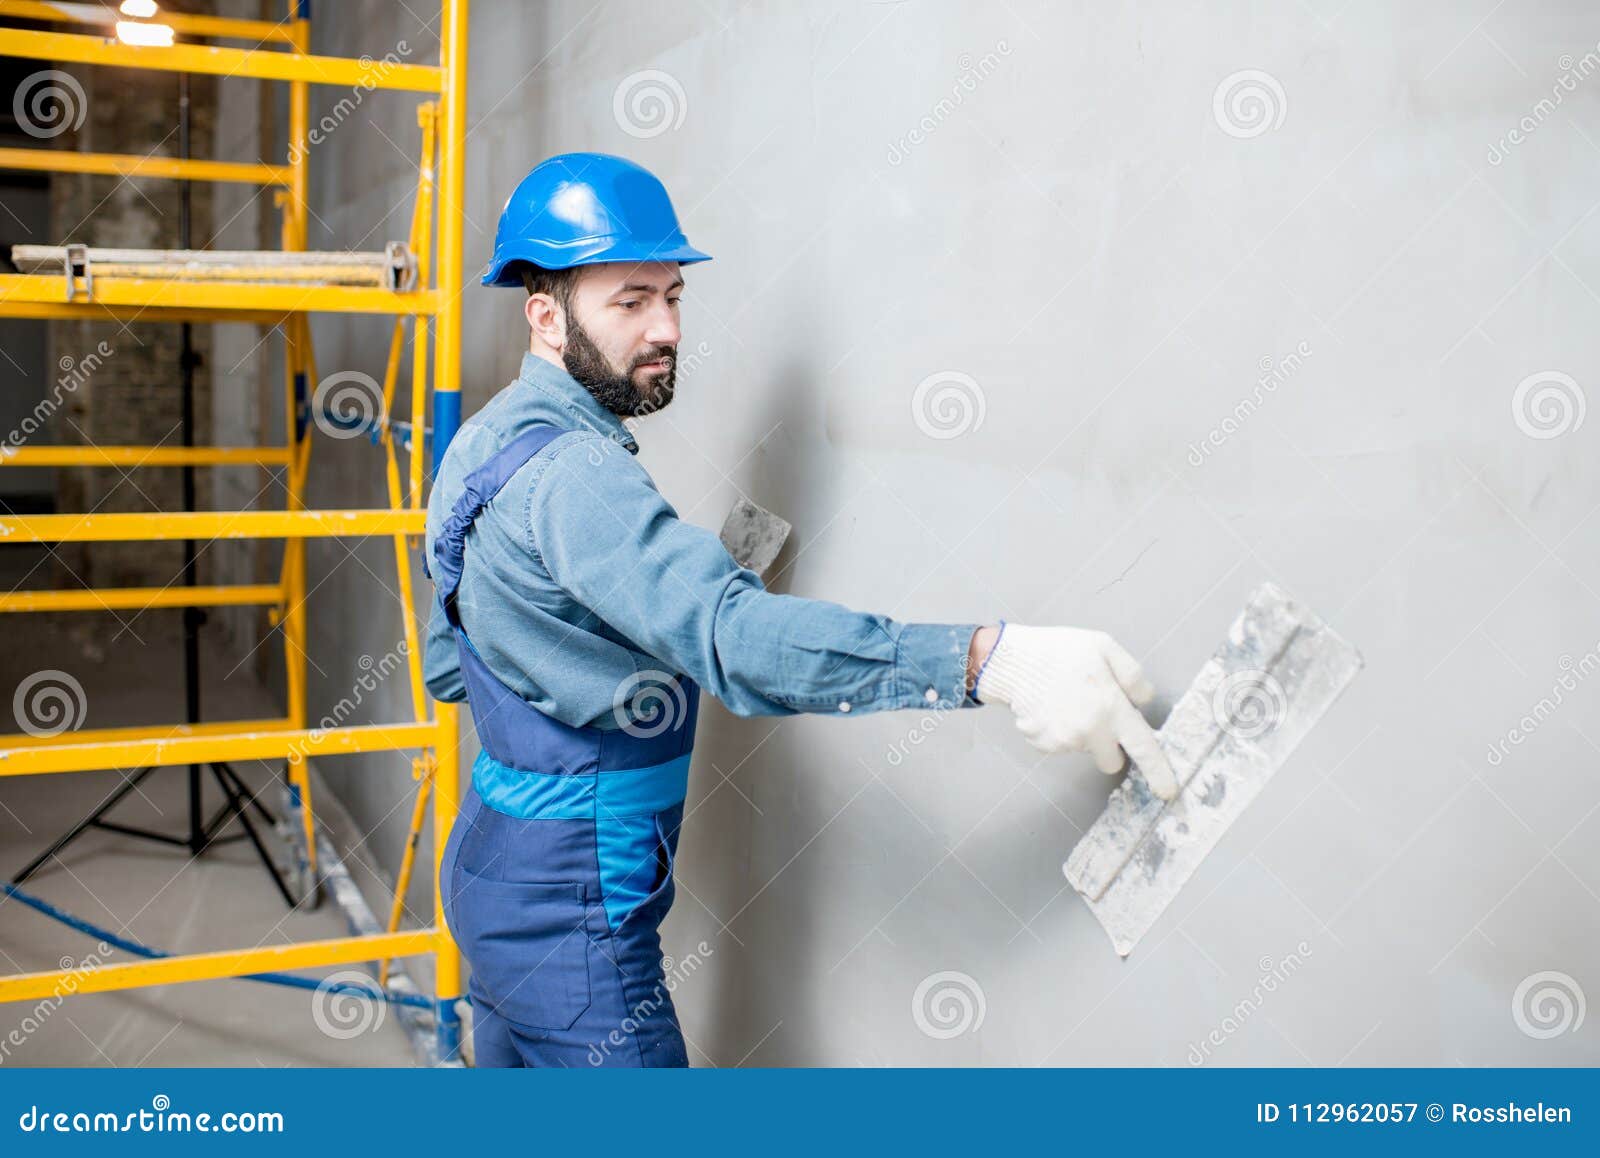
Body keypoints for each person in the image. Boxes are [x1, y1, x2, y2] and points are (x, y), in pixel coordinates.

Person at [424, 152, 1177, 1068]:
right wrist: (991, 661)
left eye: (673, 296)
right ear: (546, 315)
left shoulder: (483, 442)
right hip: (572, 922)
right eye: (630, 302)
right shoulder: (580, 476)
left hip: (488, 876)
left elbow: (453, 660)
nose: (664, 328)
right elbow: (734, 646)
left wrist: (650, 598)